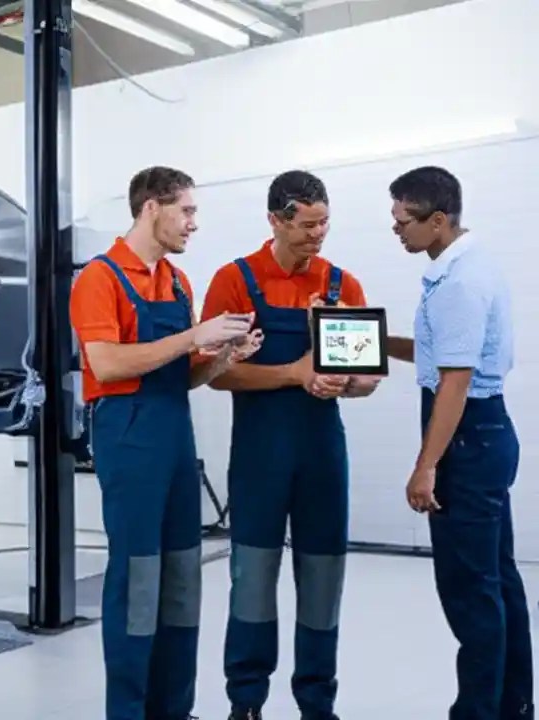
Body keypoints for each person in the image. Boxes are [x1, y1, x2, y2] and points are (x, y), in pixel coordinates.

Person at [71, 165, 262, 720]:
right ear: (151, 207)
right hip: (128, 432)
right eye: (187, 210)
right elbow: (104, 364)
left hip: (175, 433)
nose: (193, 224)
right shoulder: (99, 279)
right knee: (137, 578)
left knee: (181, 575)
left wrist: (222, 357)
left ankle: (172, 711)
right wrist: (193, 336)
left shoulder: (176, 282)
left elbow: (184, 373)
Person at [199, 170, 381, 720]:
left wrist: (342, 381)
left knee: (323, 578)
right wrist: (294, 373)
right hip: (260, 455)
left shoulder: (340, 284)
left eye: (324, 223)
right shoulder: (233, 281)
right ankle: (246, 701)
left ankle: (317, 703)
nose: (318, 235)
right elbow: (212, 374)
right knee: (253, 577)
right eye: (306, 225)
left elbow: (367, 377)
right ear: (275, 219)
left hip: (323, 451)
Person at [383, 166, 532, 720]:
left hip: (467, 440)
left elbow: (455, 381)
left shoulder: (461, 282)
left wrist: (427, 467)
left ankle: (478, 711)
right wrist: (361, 334)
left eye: (403, 221)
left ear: (438, 220)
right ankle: (512, 706)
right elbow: (434, 353)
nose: (396, 230)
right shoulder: (463, 267)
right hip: (484, 435)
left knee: (471, 591)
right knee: (497, 581)